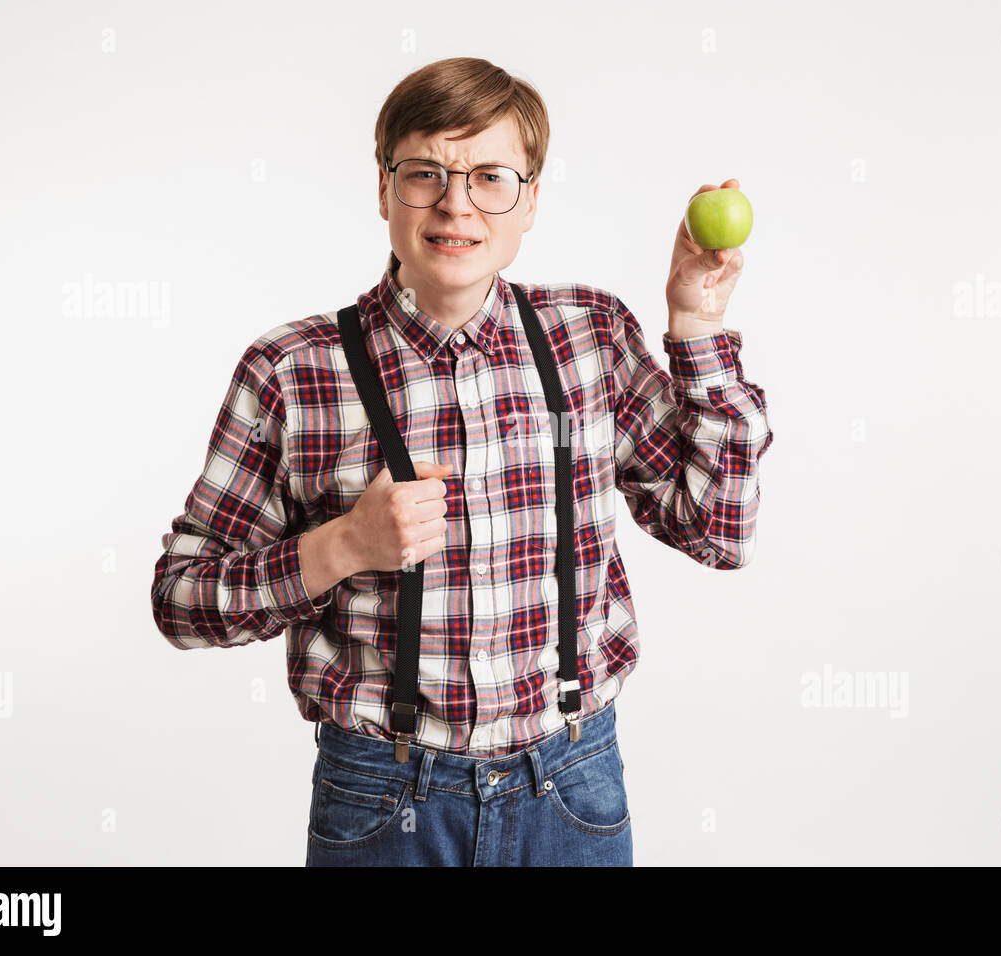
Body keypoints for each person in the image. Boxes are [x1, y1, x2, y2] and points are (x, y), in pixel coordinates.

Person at [150, 56, 773, 866]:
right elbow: (180, 601)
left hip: (571, 786)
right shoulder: (292, 370)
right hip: (381, 797)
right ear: (383, 190)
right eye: (425, 174)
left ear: (530, 201)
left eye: (490, 176)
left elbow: (719, 531)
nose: (456, 203)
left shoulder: (589, 337)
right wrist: (341, 546)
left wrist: (695, 325)